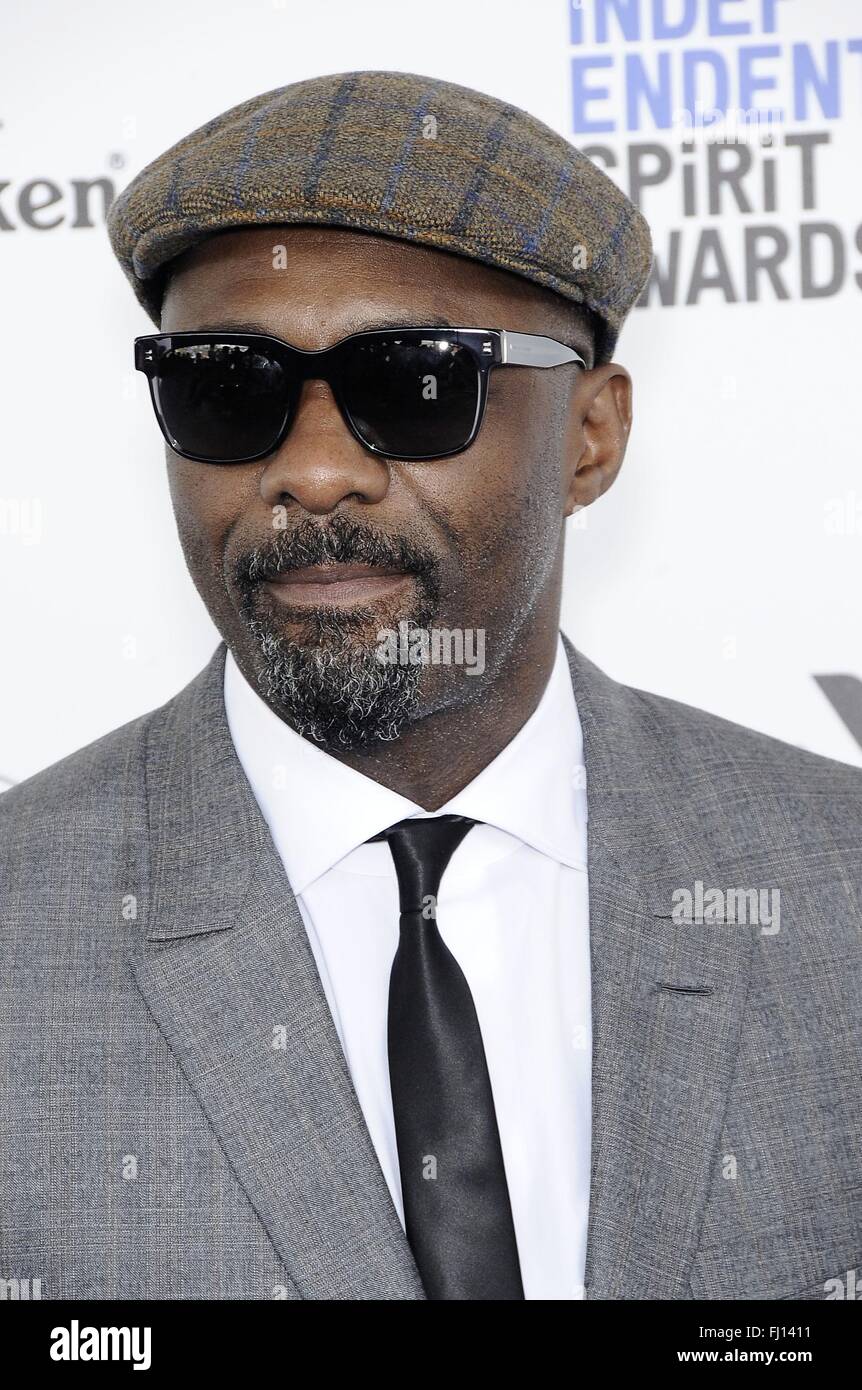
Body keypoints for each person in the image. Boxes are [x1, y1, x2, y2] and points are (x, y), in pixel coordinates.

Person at [1, 70, 860, 1302]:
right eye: (225, 387)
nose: (310, 471)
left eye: (412, 382)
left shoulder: (835, 879)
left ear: (589, 437)